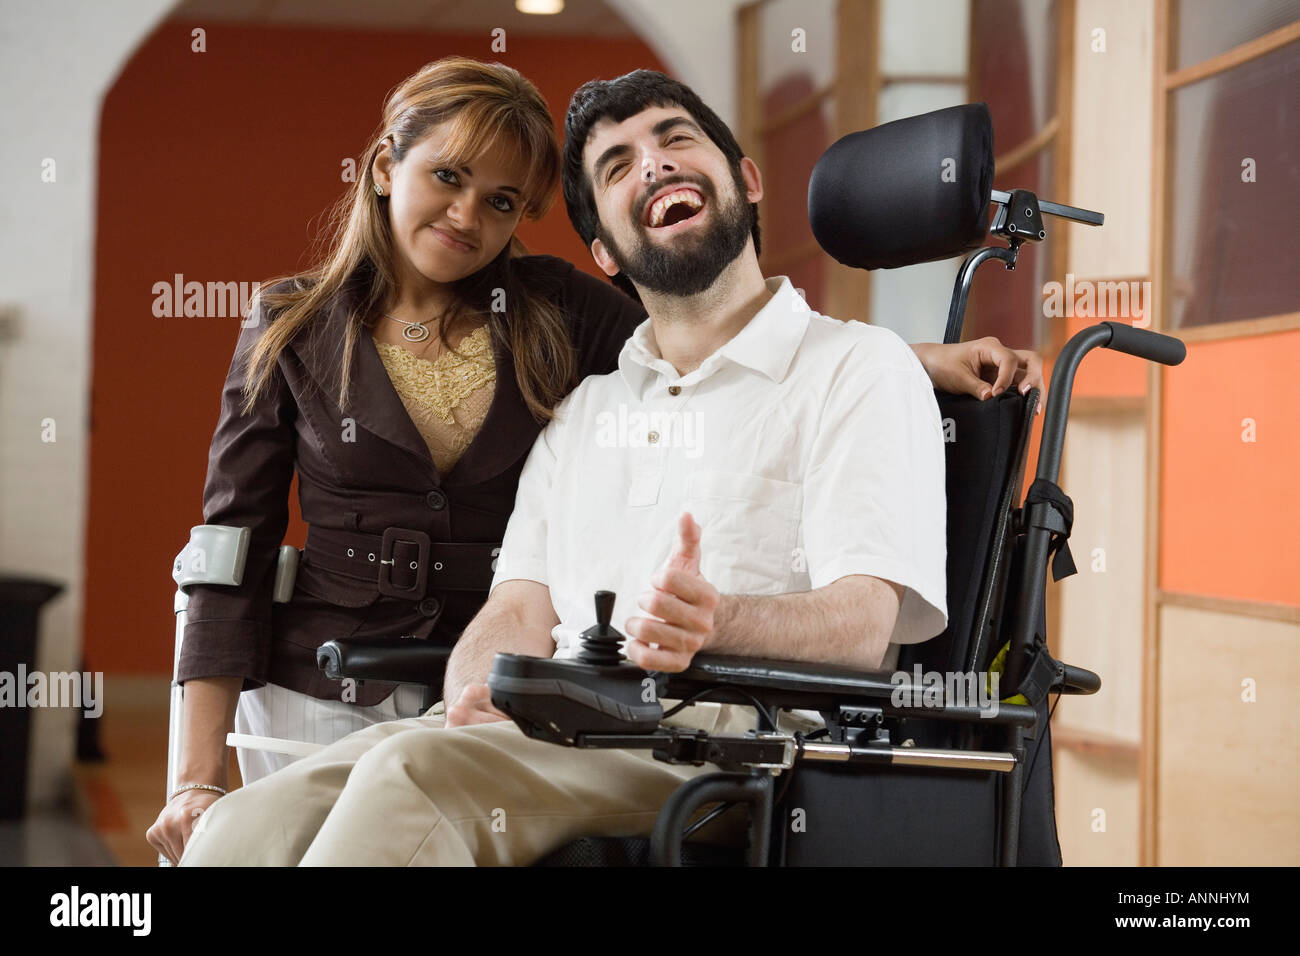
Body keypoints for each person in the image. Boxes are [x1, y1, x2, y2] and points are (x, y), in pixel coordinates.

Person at [175, 68, 1000, 867]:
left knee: (408, 778)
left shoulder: (857, 371)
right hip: (552, 724)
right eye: (618, 166)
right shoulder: (586, 409)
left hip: (724, 736)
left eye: (675, 140)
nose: (655, 163)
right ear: (606, 249)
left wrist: (719, 621)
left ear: (746, 179)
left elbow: (861, 629)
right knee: (245, 829)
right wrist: (478, 690)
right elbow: (518, 602)